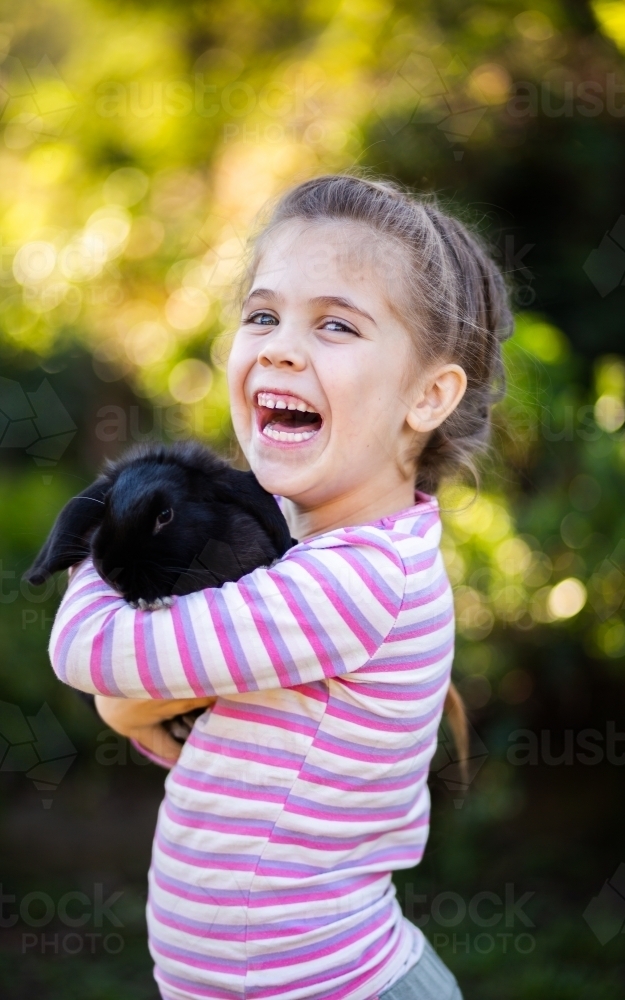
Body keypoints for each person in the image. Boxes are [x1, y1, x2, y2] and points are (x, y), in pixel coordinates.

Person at [48, 175, 512, 1000]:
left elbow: (90, 652)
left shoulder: (356, 580)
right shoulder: (312, 559)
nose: (280, 347)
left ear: (428, 395)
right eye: (262, 315)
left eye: (334, 324)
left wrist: (99, 533)